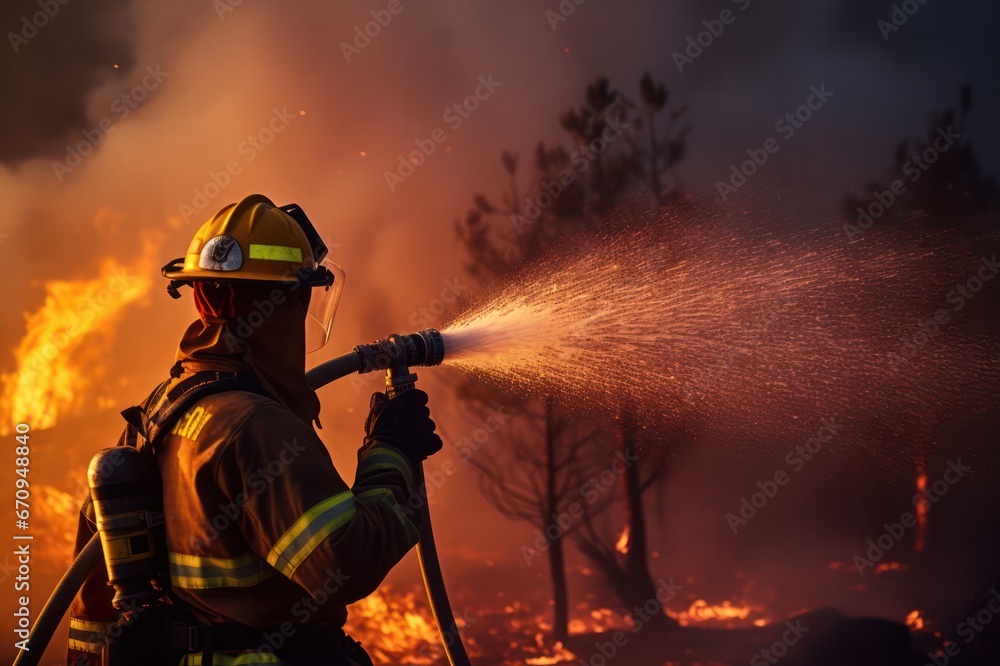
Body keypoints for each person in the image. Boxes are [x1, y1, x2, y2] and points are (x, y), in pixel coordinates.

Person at [67, 194, 441, 665]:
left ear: (203, 297)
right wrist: (392, 452)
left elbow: (92, 597)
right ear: (283, 304)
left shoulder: (159, 411)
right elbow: (344, 563)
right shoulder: (255, 427)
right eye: (295, 299)